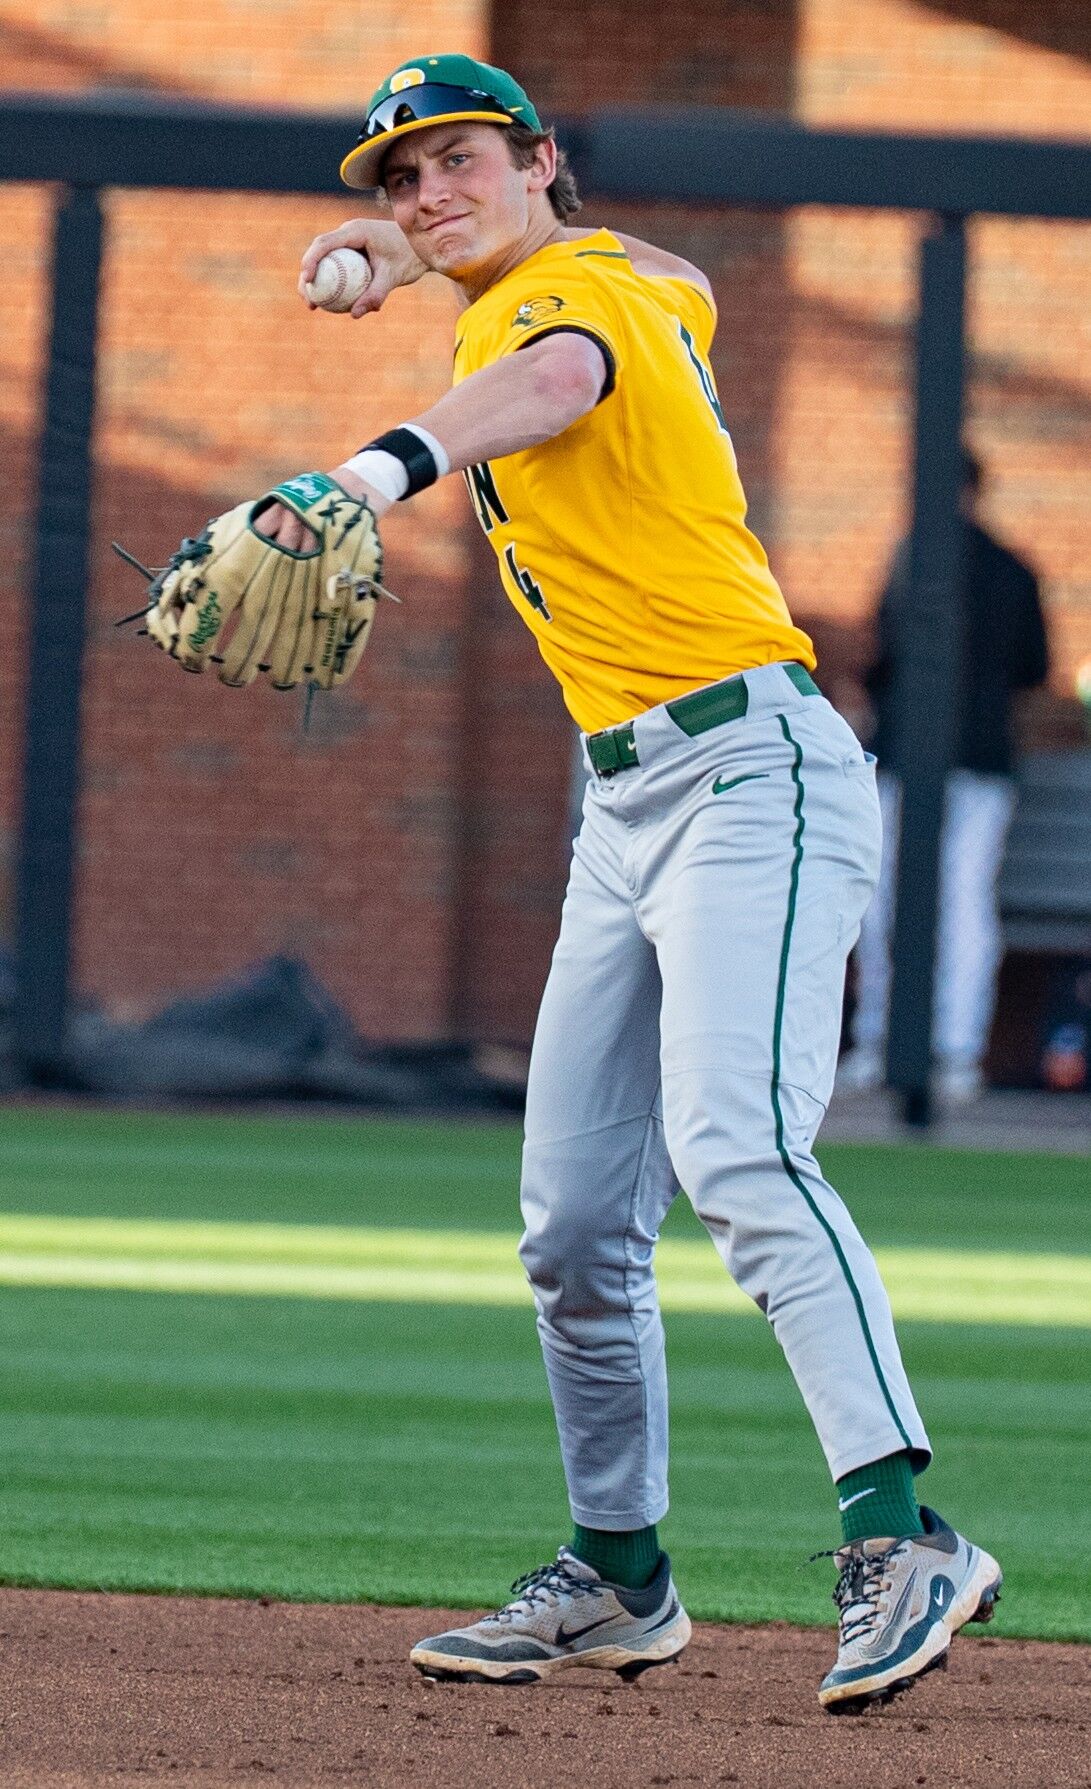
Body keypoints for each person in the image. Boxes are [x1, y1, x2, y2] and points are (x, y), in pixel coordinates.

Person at [263, 53, 1000, 1710]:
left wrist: (372, 468)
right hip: (625, 805)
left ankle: (906, 1527)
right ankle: (620, 1572)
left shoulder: (573, 305)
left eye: (454, 161)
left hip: (756, 771)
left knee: (737, 1144)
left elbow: (560, 375)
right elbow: (666, 277)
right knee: (573, 1223)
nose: (421, 192)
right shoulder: (596, 274)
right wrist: (416, 255)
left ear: (540, 160)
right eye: (395, 177)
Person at [840, 451, 1050, 1103]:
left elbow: (886, 654)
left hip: (927, 754)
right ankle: (942, 1049)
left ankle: (895, 1043)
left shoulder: (922, 560)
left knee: (905, 896)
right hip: (963, 757)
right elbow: (1031, 668)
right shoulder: (1008, 568)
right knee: (940, 897)